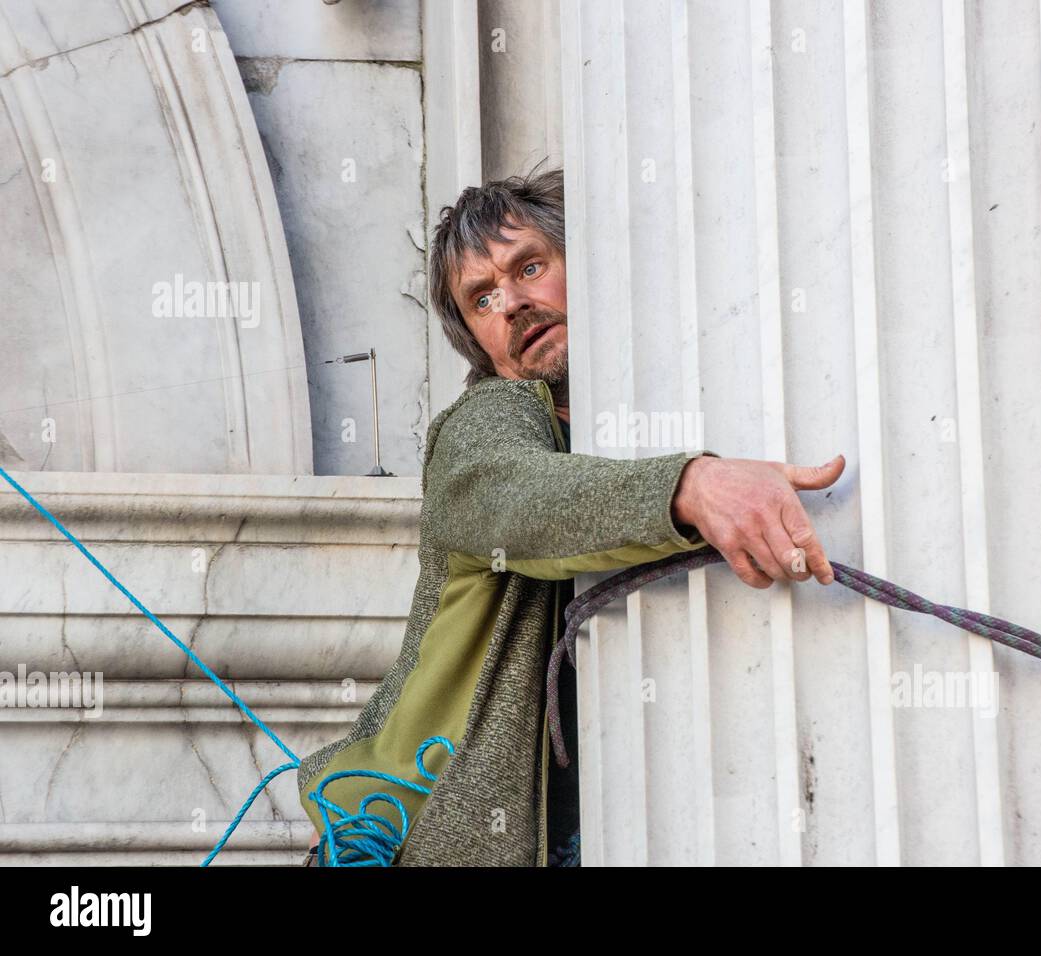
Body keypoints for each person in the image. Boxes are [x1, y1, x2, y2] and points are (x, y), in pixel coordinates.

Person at [296, 161, 845, 866]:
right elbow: (520, 499)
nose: (513, 303)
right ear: (479, 346)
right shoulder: (483, 426)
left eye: (529, 267)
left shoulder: (630, 417)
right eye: (482, 298)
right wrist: (694, 488)